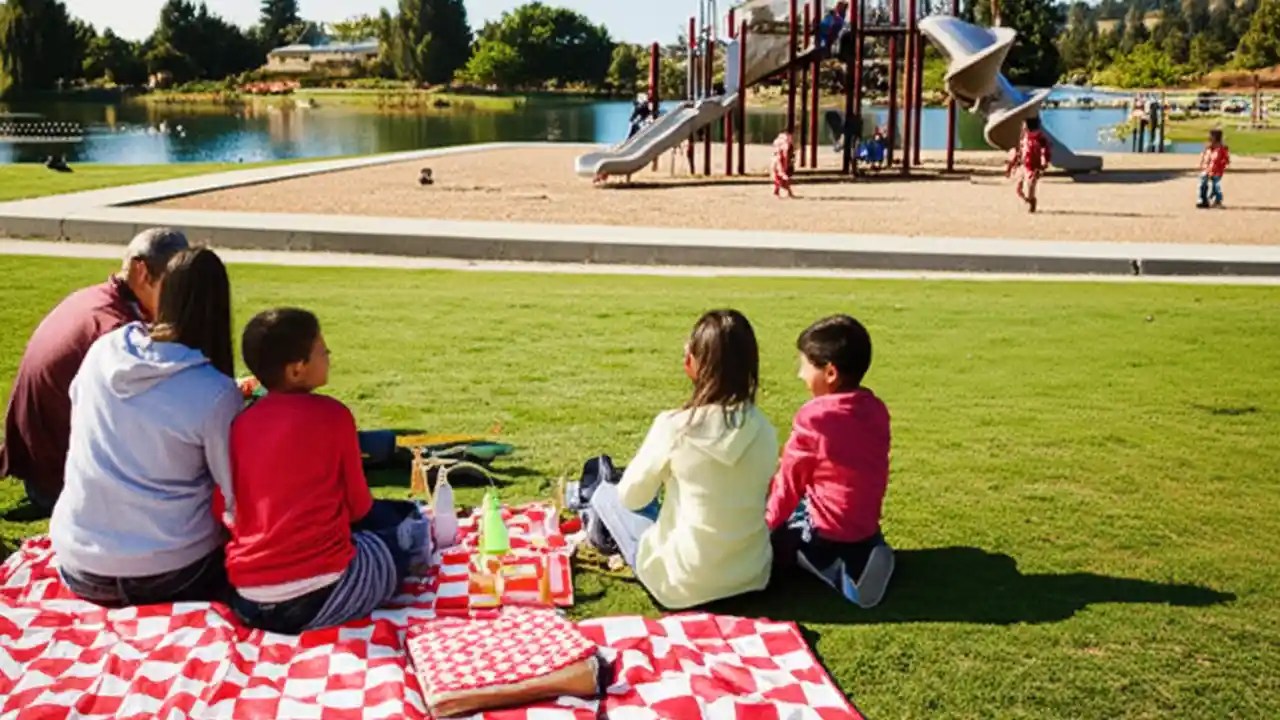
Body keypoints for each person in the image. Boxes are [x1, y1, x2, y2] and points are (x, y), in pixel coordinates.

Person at [51, 247, 242, 607]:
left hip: (79, 563)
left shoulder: (104, 351)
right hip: (172, 572)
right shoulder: (214, 392)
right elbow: (235, 498)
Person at [225, 308, 429, 634]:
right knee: (399, 532)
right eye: (322, 350)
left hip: (248, 598)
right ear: (296, 369)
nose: (329, 355)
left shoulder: (239, 425)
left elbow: (225, 507)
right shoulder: (333, 416)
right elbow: (359, 506)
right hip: (324, 594)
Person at [588, 310, 778, 609]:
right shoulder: (764, 429)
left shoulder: (675, 427)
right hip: (751, 575)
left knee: (606, 494)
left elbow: (631, 498)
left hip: (682, 584)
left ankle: (598, 526)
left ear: (694, 363)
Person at [2, 228, 189, 517]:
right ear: (141, 271)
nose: (179, 299)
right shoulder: (116, 333)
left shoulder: (94, 299)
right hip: (60, 484)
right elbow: (152, 422)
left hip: (40, 465)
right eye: (175, 285)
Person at [766, 315, 894, 609]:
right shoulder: (875, 409)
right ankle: (871, 549)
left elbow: (789, 483)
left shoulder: (815, 418)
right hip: (864, 526)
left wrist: (766, 527)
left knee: (783, 538)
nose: (800, 375)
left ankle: (842, 575)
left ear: (831, 373)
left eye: (805, 366)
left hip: (827, 532)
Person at [1005, 116, 1051, 213]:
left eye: (1024, 124)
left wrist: (1044, 161)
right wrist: (1011, 165)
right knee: (1019, 187)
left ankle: (1031, 202)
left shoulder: (1038, 137)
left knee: (1030, 185)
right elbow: (1019, 151)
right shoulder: (1023, 137)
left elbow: (1045, 150)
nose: (1022, 126)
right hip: (1023, 164)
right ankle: (1027, 200)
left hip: (1033, 165)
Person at [1197, 128, 1230, 209]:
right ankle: (1203, 199)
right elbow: (1204, 156)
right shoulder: (1208, 148)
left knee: (1216, 186)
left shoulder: (1221, 149)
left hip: (1216, 170)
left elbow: (1225, 159)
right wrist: (1202, 164)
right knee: (1203, 183)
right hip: (1207, 169)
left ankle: (1217, 200)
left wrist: (1222, 164)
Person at [772, 130, 796, 199]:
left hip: (783, 164)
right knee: (781, 179)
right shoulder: (781, 148)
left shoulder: (788, 147)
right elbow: (779, 159)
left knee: (782, 179)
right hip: (779, 164)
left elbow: (790, 156)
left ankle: (782, 192)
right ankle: (779, 192)